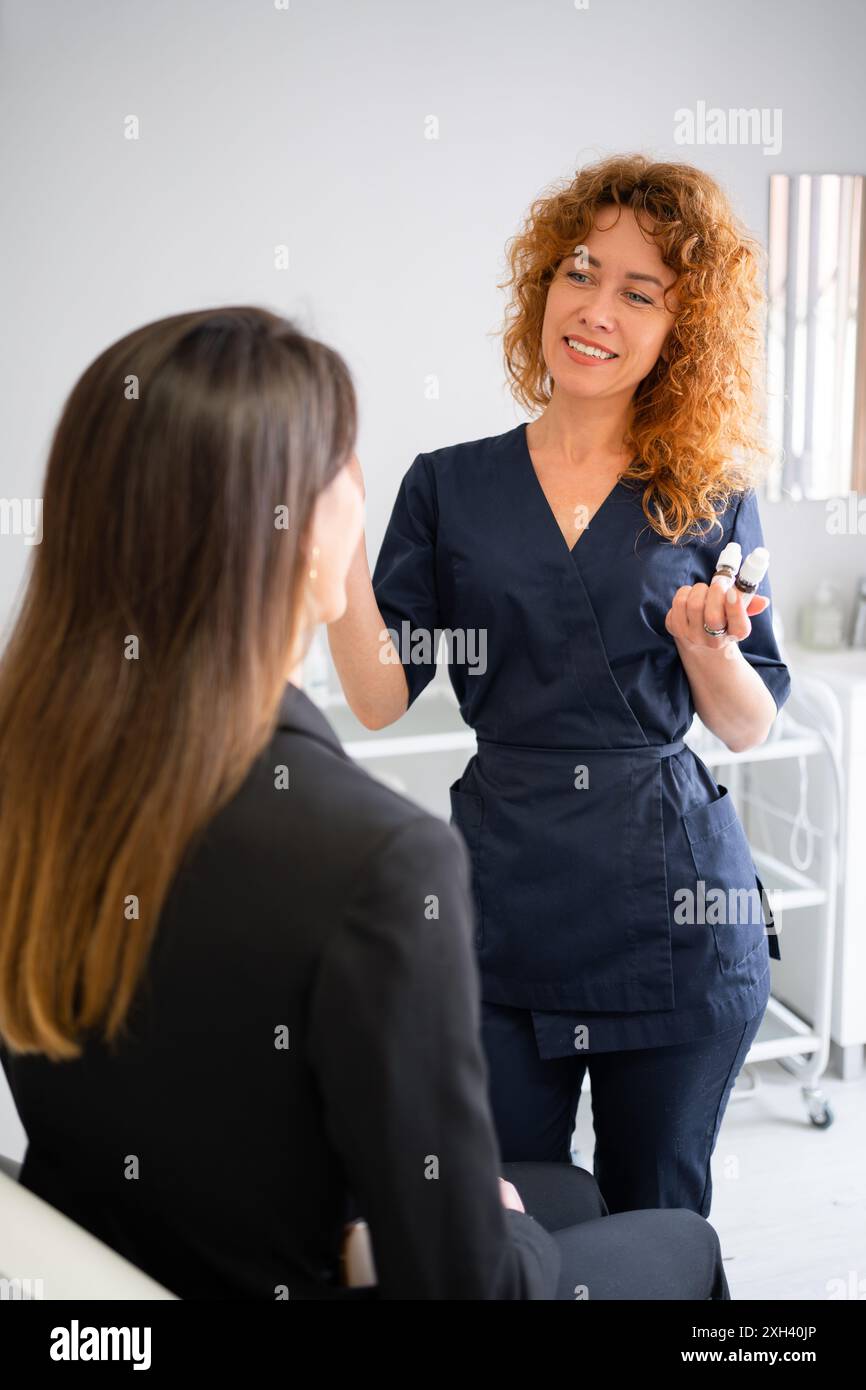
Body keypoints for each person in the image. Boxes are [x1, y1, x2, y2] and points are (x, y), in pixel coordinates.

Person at [0, 307, 729, 1298]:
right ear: (307, 540)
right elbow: (463, 1280)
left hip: (134, 1253)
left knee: (570, 1190)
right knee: (678, 1242)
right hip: (320, 1261)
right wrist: (459, 1220)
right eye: (344, 462)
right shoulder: (375, 860)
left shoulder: (39, 780)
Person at [328, 155, 792, 1218]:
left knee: (655, 1218)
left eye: (639, 293)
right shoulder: (448, 484)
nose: (594, 309)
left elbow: (748, 724)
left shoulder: (706, 493)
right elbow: (378, 695)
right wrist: (333, 557)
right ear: (543, 280)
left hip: (673, 908)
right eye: (579, 273)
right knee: (504, 1215)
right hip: (503, 902)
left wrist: (704, 646)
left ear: (681, 333)